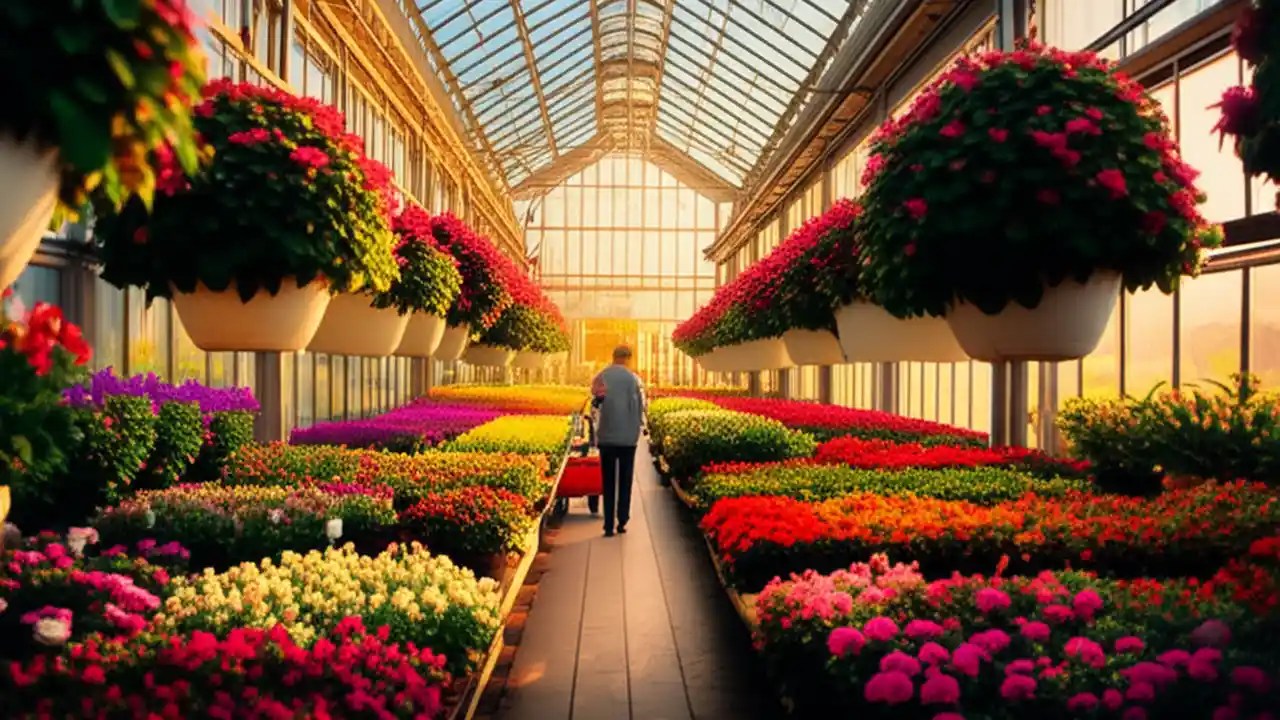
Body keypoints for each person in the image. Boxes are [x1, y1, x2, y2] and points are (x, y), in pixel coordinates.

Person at [590, 345, 647, 537]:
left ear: (613, 357)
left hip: (606, 436)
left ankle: (607, 525)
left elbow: (595, 404)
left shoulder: (601, 377)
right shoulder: (634, 379)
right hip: (628, 439)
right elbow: (641, 408)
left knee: (608, 481)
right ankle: (622, 520)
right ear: (629, 358)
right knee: (625, 479)